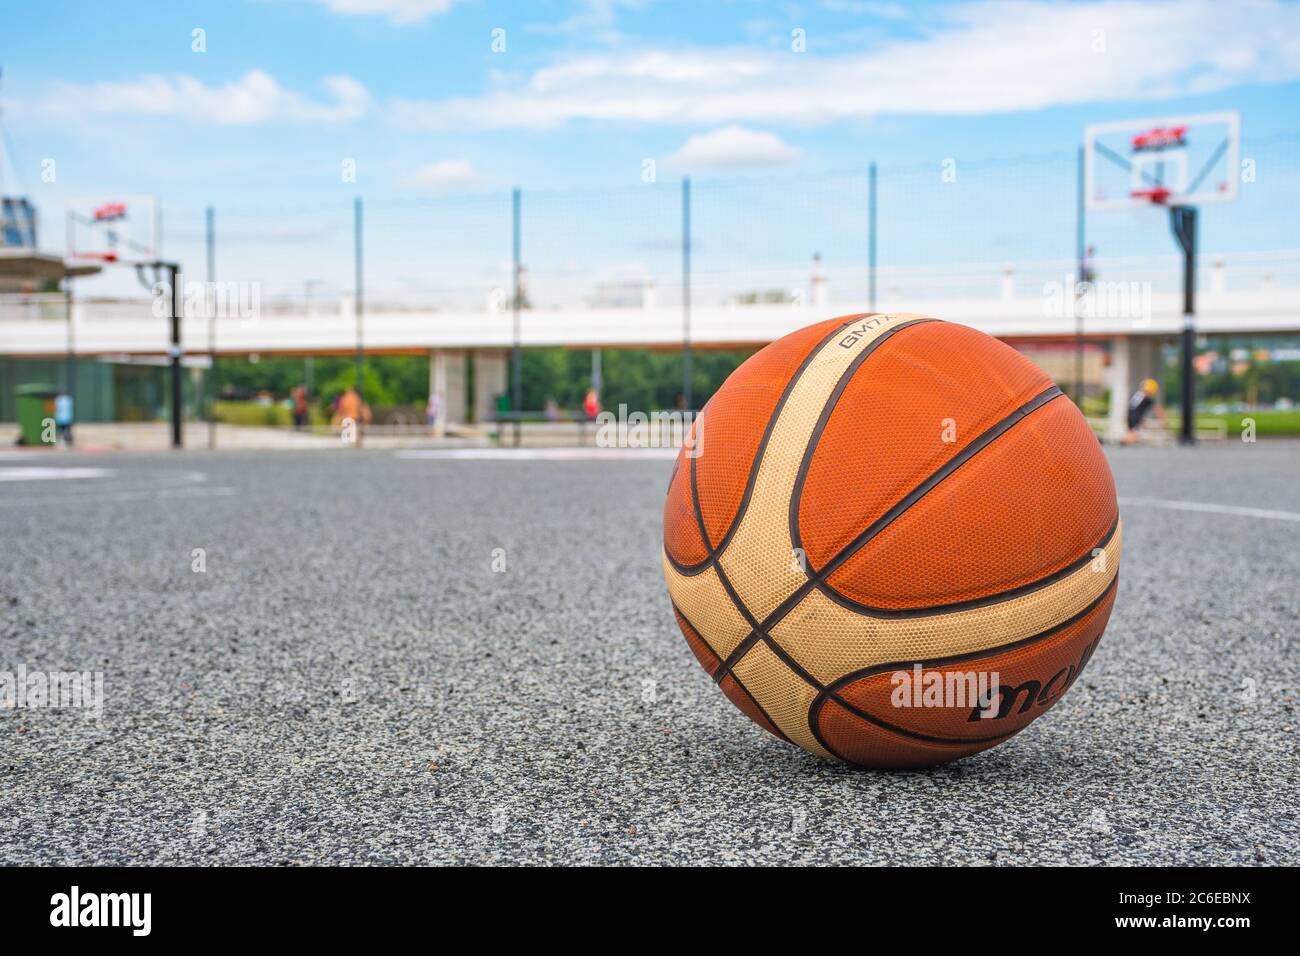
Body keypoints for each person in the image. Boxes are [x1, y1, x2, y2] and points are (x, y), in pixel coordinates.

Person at [1124, 378, 1166, 444]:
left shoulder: (1137, 394)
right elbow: (1157, 409)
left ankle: (1125, 441)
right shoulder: (1147, 398)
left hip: (1130, 414)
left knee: (1131, 431)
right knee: (1134, 432)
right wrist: (1162, 419)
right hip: (1135, 416)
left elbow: (1132, 407)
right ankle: (1126, 442)